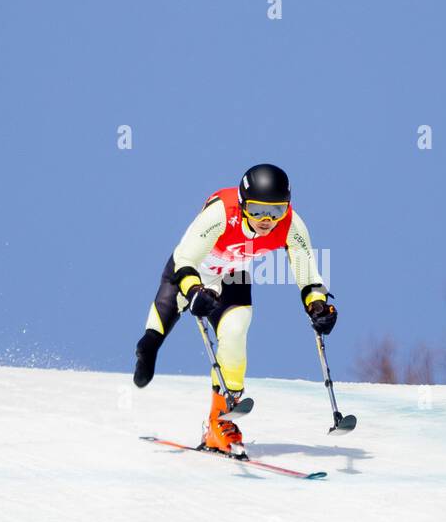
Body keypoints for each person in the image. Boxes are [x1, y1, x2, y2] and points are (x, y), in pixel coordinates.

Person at [133, 164, 337, 455]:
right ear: (242, 204)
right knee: (152, 341)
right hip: (191, 274)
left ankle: (220, 420)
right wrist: (193, 291)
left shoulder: (291, 225)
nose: (266, 220)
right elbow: (184, 258)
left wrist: (317, 305)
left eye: (276, 211)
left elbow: (308, 274)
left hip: (233, 276)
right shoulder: (220, 214)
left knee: (236, 332)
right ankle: (147, 348)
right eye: (256, 211)